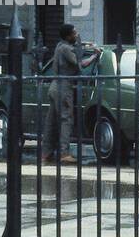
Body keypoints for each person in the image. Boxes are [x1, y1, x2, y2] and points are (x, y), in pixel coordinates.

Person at [42, 23, 103, 164]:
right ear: (68, 35)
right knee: (66, 120)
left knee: (51, 122)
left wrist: (87, 45)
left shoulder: (59, 46)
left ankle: (46, 154)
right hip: (64, 88)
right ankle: (64, 153)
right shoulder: (66, 49)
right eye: (74, 33)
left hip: (54, 86)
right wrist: (95, 55)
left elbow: (77, 47)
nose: (77, 35)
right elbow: (81, 64)